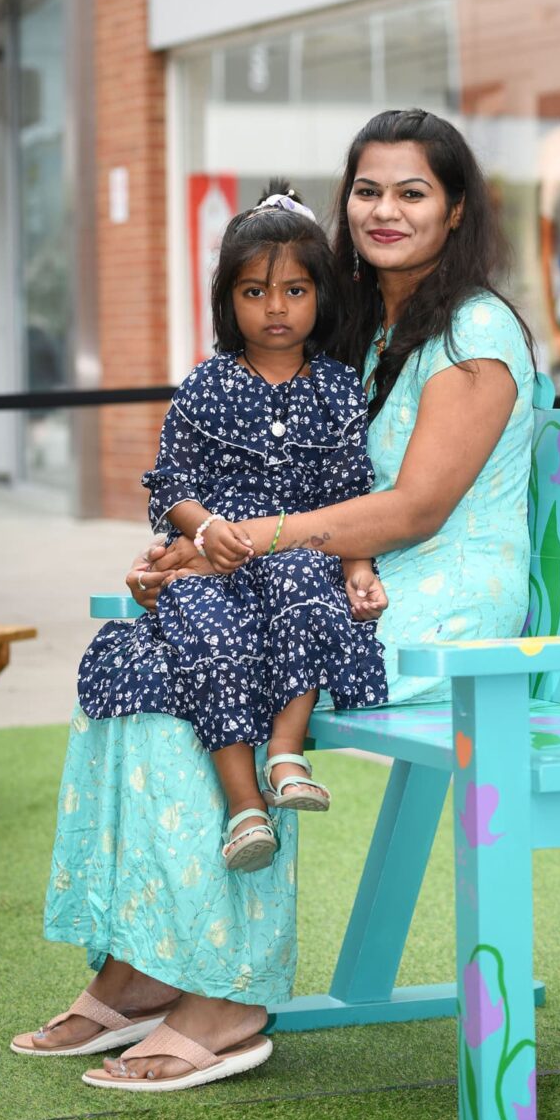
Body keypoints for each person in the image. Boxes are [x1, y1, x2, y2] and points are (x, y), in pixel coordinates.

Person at [13, 108, 539, 1092]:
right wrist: (189, 547)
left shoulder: (475, 330)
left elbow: (418, 507)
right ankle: (143, 961)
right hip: (335, 568)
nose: (386, 210)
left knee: (229, 671)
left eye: (413, 191)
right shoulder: (354, 319)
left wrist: (235, 544)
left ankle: (229, 990)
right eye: (369, 190)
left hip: (442, 592)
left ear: (457, 208)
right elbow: (272, 478)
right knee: (141, 656)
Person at [75, 185, 388, 874]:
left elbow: (351, 496)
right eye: (254, 292)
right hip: (212, 566)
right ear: (228, 301)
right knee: (204, 631)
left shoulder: (337, 389)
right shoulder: (205, 386)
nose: (275, 308)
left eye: (295, 291)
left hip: (298, 557)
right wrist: (207, 525)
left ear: (321, 298)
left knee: (313, 584)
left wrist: (360, 572)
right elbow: (171, 487)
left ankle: (285, 753)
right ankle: (245, 807)